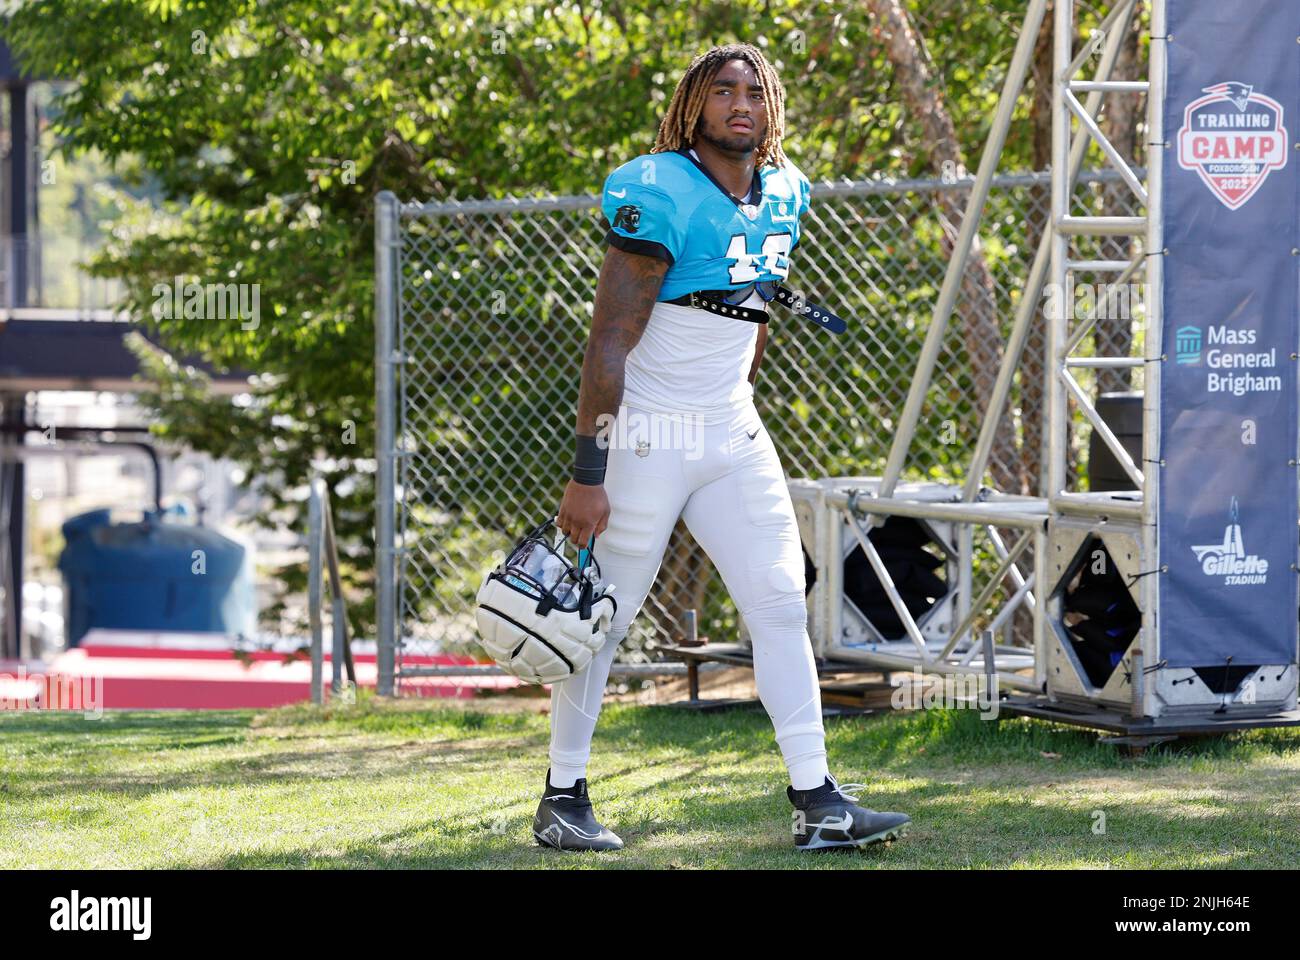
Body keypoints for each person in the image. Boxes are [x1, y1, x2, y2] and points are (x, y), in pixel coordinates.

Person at [535, 42, 911, 853]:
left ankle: (819, 801)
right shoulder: (659, 188)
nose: (741, 103)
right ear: (692, 106)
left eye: (754, 90)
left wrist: (735, 408)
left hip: (732, 430)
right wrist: (587, 474)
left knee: (780, 602)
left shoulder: (785, 192)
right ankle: (563, 796)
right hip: (650, 432)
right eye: (722, 90)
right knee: (604, 618)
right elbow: (607, 342)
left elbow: (757, 315)